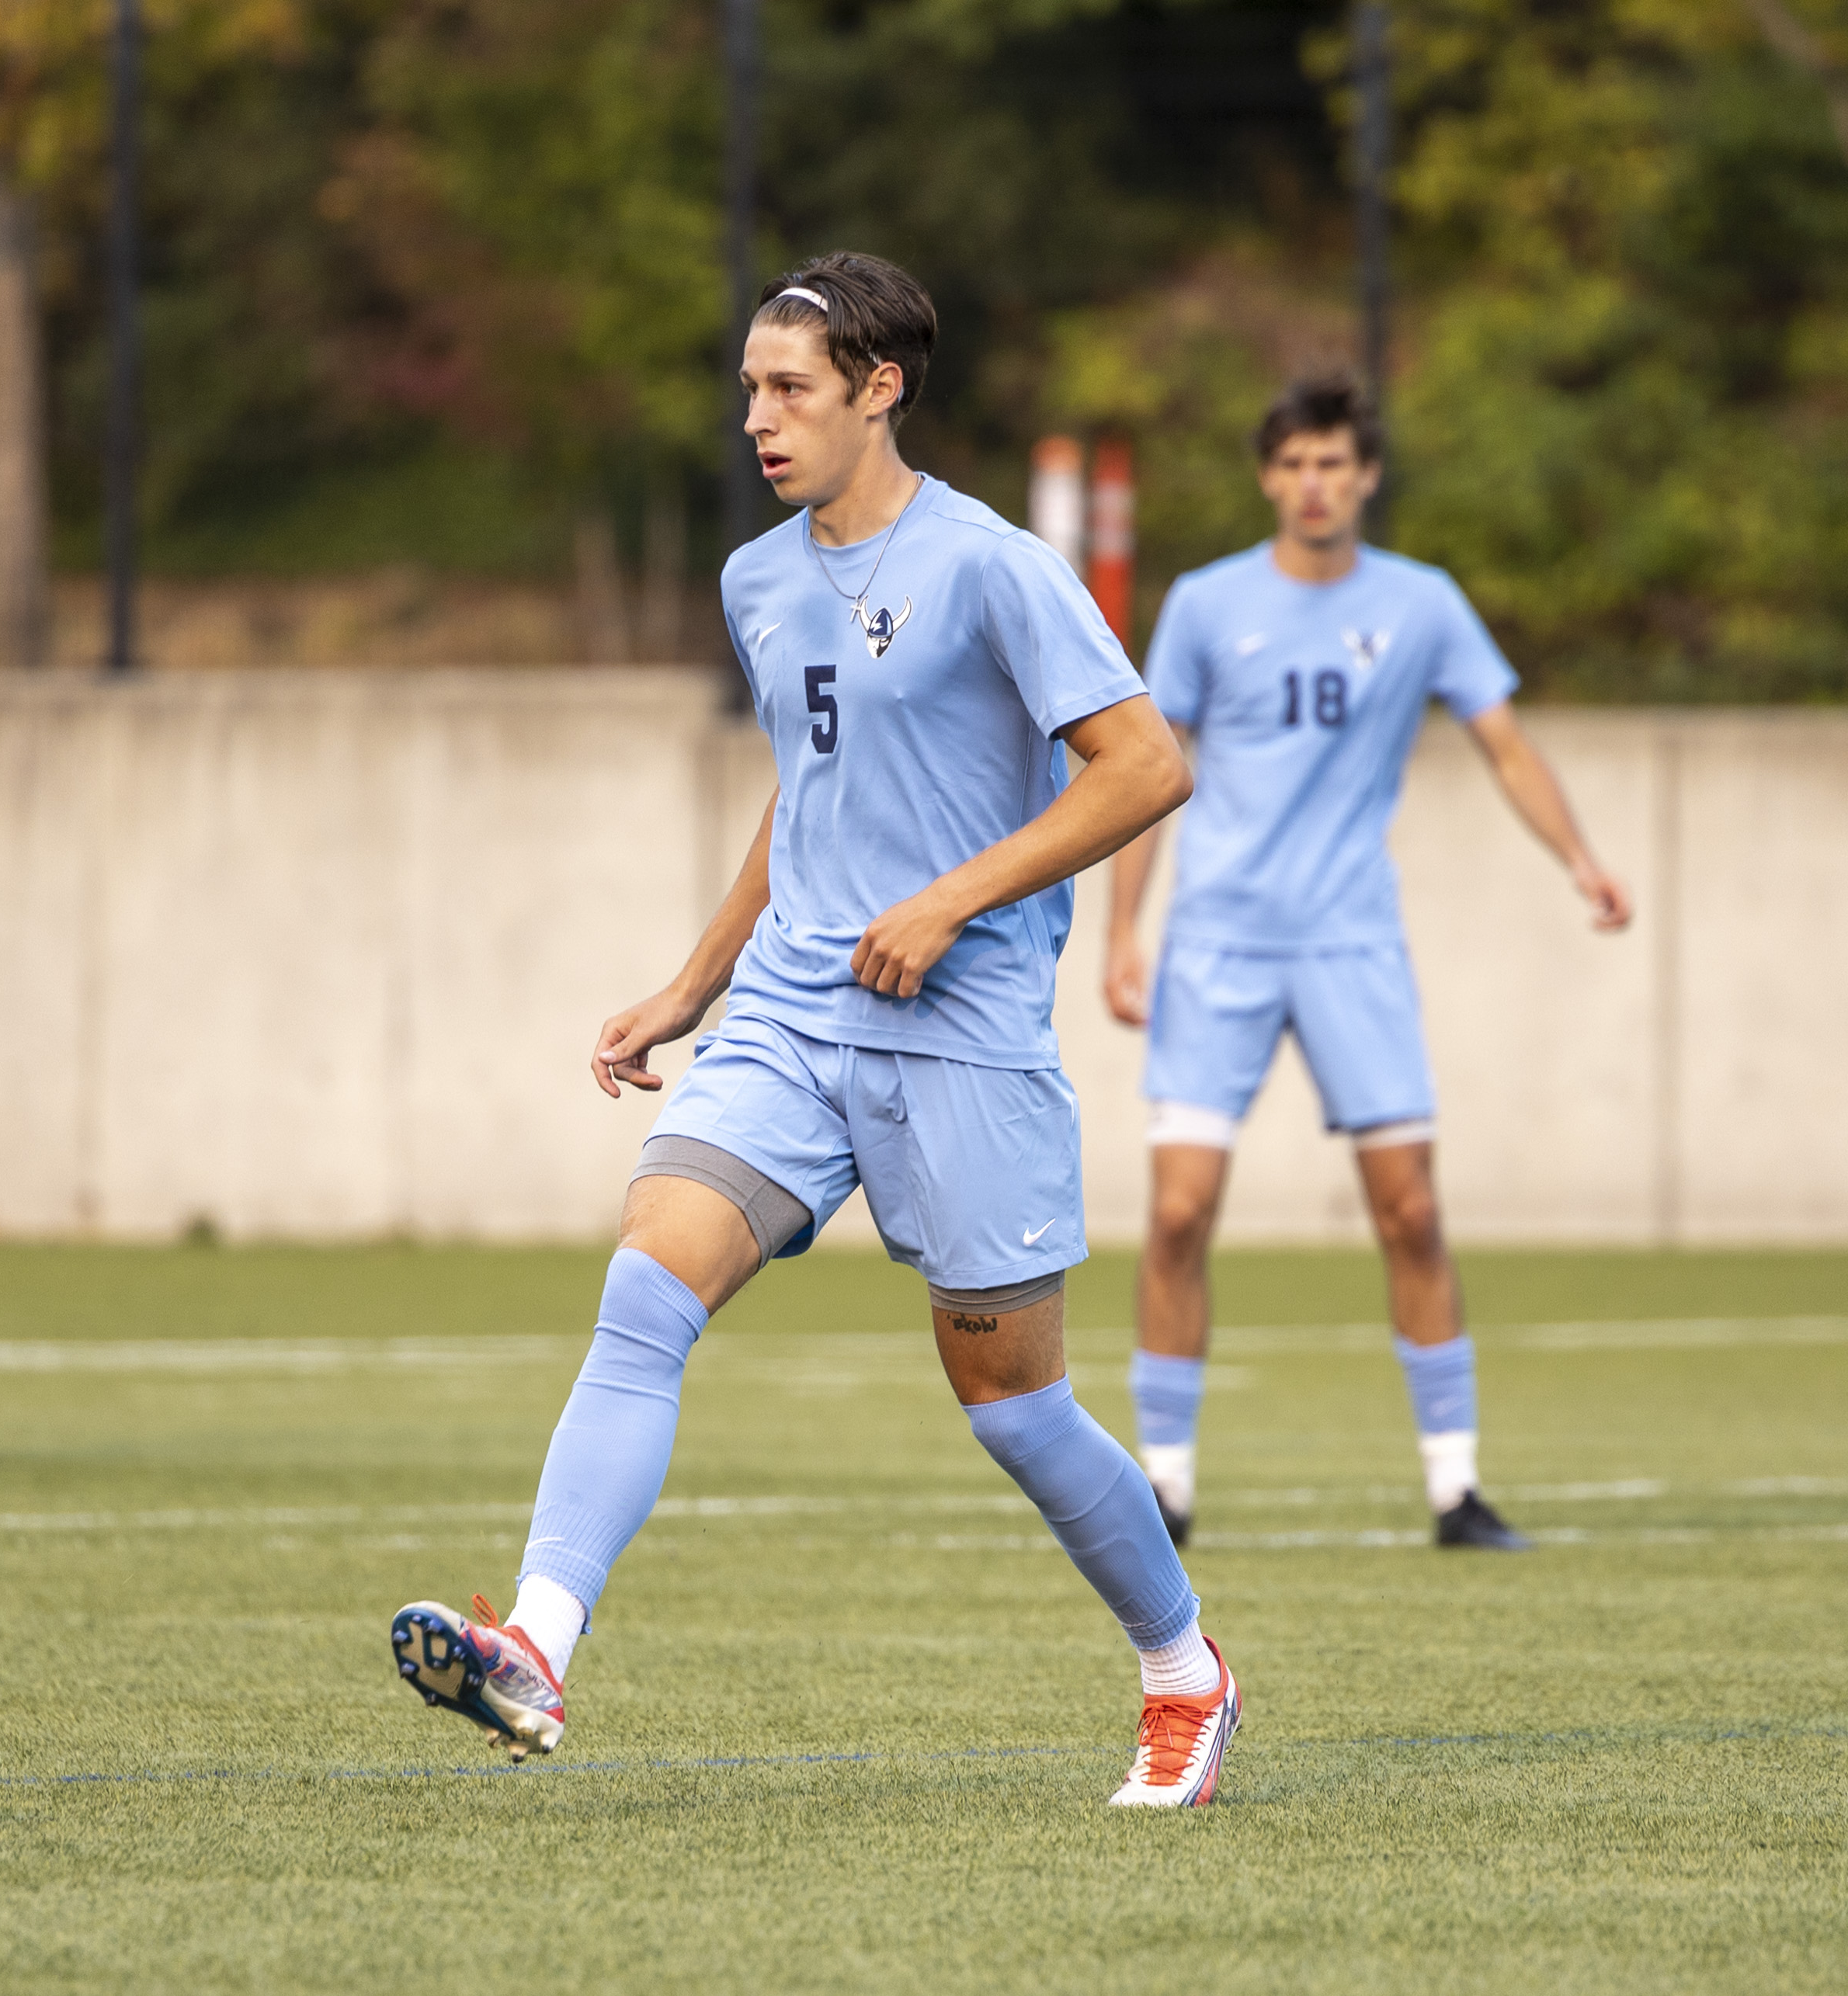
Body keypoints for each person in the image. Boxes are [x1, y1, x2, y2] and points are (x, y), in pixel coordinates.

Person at [391, 252, 1239, 1807]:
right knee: (644, 1291)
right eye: (745, 389)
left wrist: (947, 902)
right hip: (789, 1013)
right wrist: (692, 980)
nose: (756, 418)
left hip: (961, 1030)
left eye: (787, 387)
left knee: (1020, 1413)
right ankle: (537, 1643)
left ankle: (1183, 1671)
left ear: (877, 387)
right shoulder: (754, 580)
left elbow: (1142, 767)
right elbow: (808, 792)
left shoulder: (993, 568)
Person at [1101, 377, 1633, 1551]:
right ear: (1267, 477)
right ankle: (1165, 1486)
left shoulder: (1425, 604)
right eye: (1294, 463)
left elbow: (1503, 741)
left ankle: (1456, 1486)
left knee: (1411, 1209)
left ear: (1367, 475)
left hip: (1353, 944)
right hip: (1220, 945)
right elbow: (1147, 772)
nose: (1315, 483)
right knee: (1180, 1211)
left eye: (1335, 463)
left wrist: (1581, 860)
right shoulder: (1202, 603)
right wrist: (1122, 931)